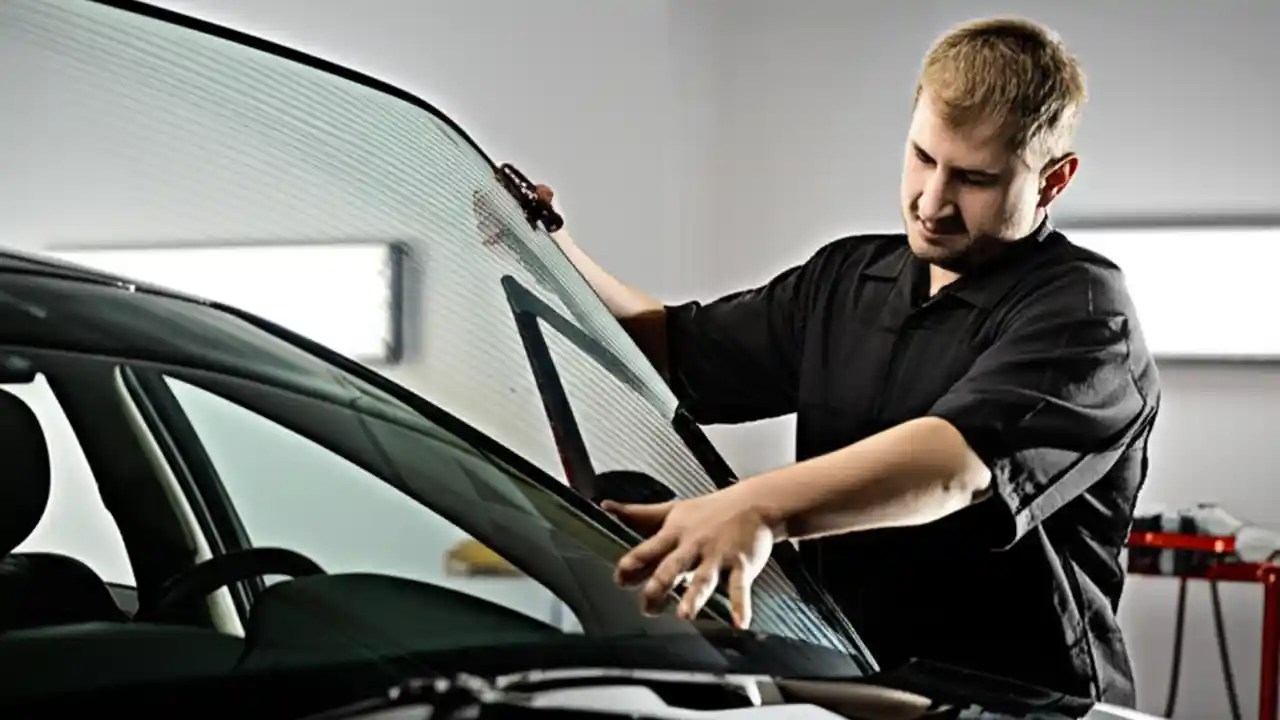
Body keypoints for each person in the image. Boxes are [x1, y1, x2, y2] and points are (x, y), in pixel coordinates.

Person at [534, 16, 1160, 707]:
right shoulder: (846, 278)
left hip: (1019, 702)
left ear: (1053, 180)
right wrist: (551, 247)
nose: (932, 202)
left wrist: (758, 510)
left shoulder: (1085, 314)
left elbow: (954, 465)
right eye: (923, 157)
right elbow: (671, 349)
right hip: (855, 687)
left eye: (975, 179)